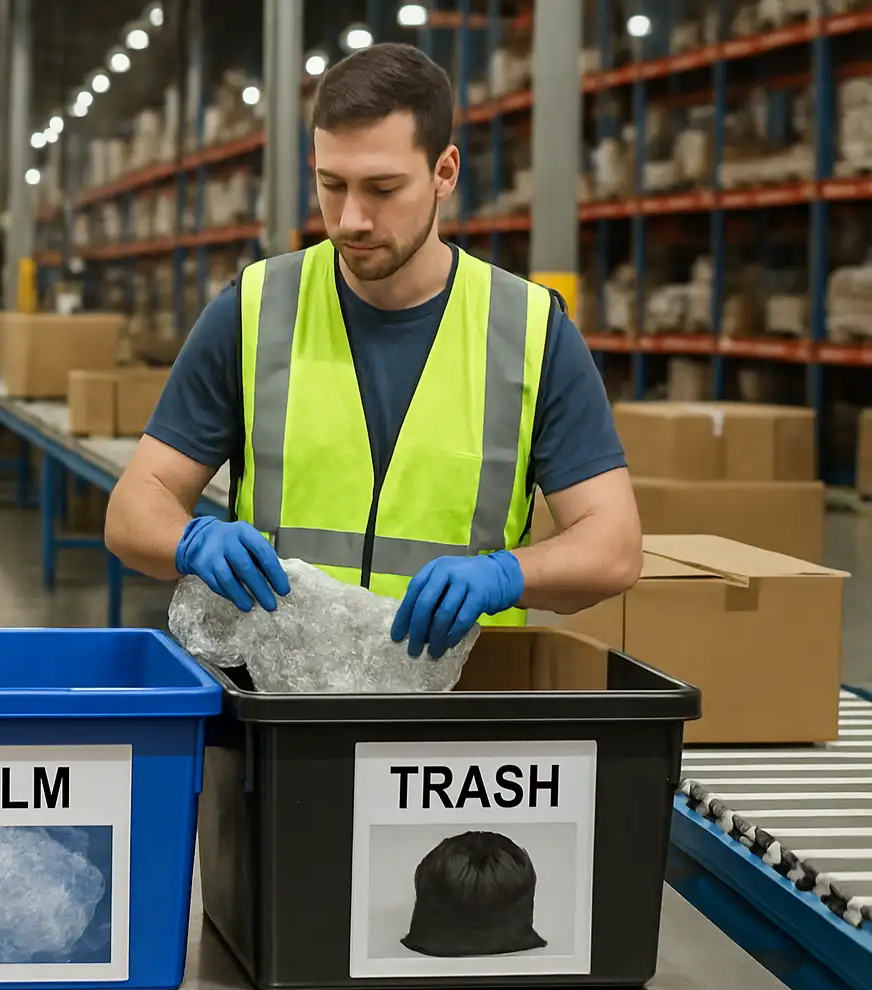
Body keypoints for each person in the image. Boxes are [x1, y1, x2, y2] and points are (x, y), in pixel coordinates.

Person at [104, 44, 641, 660]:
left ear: (445, 171)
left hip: (453, 713)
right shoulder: (254, 309)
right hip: (281, 703)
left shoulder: (530, 332)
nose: (351, 219)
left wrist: (506, 576)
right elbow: (131, 513)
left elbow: (614, 546)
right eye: (331, 185)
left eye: (383, 189)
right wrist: (190, 538)